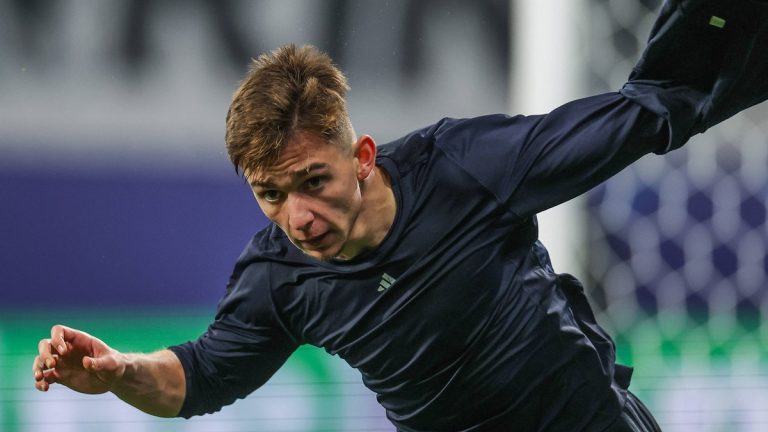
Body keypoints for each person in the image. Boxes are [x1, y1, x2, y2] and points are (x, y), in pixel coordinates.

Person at [33, 1, 768, 430]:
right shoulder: (277, 279)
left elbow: (642, 115)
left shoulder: (465, 166)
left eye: (313, 181)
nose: (299, 217)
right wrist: (118, 372)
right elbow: (199, 377)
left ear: (361, 156)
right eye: (270, 194)